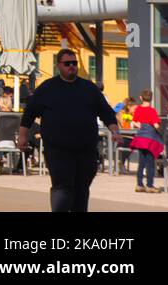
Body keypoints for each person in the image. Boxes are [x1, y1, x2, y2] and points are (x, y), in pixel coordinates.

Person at [18, 48, 119, 212]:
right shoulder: (48, 88)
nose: (72, 66)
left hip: (86, 151)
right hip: (58, 151)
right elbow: (29, 113)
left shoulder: (89, 88)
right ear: (59, 66)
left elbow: (106, 112)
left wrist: (115, 131)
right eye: (67, 63)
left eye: (74, 63)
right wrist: (22, 136)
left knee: (81, 190)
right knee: (63, 188)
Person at [129, 89, 165, 194]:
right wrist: (159, 130)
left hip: (140, 138)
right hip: (149, 140)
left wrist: (141, 126)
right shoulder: (152, 111)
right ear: (152, 98)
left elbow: (134, 122)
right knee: (150, 163)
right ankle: (149, 185)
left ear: (141, 98)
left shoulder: (138, 109)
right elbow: (156, 125)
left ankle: (139, 184)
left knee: (141, 162)